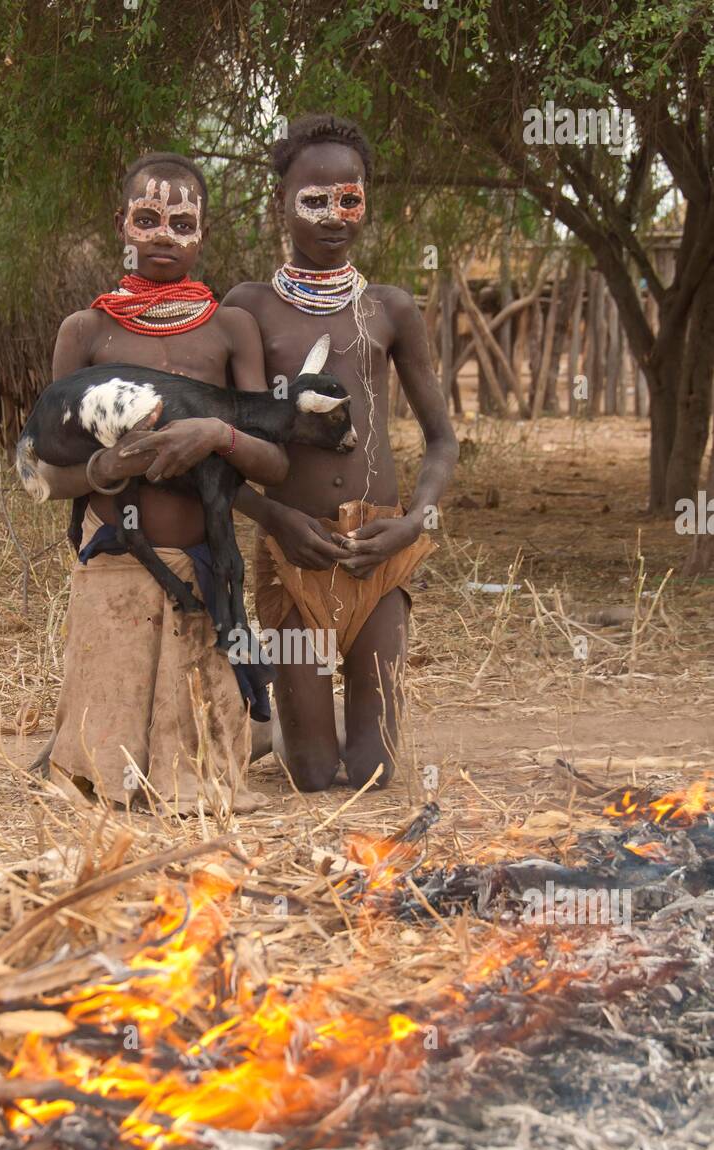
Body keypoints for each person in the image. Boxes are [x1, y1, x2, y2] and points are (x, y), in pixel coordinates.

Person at [32, 152, 286, 813]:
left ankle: (242, 737)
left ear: (203, 232)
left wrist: (217, 436)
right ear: (123, 225)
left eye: (181, 221)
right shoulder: (85, 331)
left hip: (202, 577)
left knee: (198, 776)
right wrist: (102, 468)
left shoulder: (232, 330)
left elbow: (275, 459)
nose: (165, 234)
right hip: (115, 569)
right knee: (101, 778)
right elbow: (38, 470)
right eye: (148, 218)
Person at [225, 114, 458, 792]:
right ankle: (273, 725)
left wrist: (413, 520)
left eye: (349, 199)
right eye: (314, 200)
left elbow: (441, 438)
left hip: (377, 554)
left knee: (372, 772)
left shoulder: (389, 309)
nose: (334, 216)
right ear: (281, 206)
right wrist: (273, 520)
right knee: (315, 774)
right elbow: (215, 450)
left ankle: (309, 716)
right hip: (294, 554)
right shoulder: (246, 310)